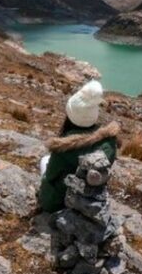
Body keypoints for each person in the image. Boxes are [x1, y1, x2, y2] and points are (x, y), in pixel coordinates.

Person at [37, 80, 120, 213]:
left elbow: (51, 176)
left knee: (44, 161)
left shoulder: (62, 148)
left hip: (59, 203)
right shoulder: (109, 141)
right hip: (92, 201)